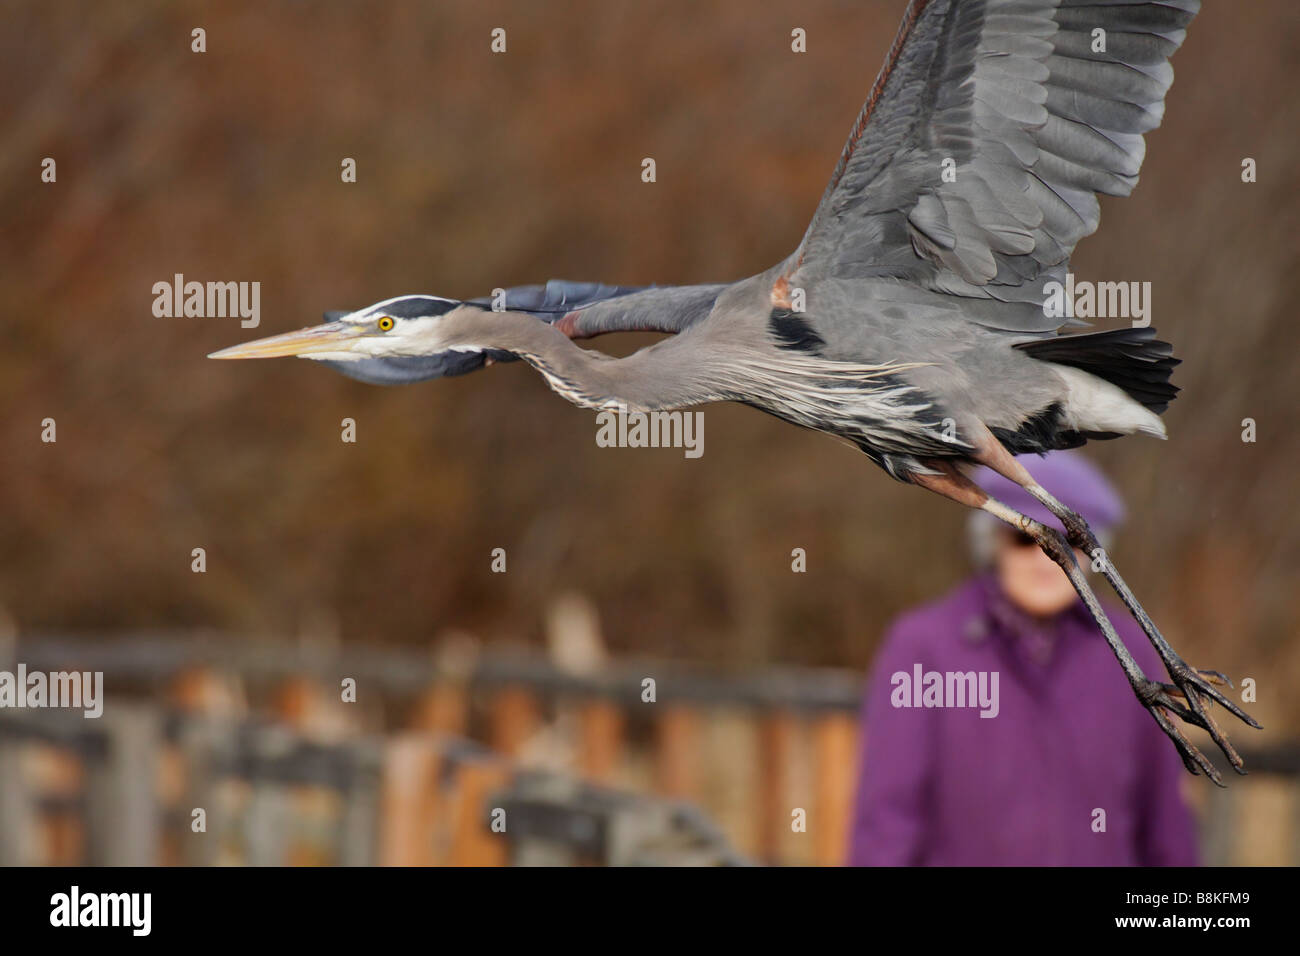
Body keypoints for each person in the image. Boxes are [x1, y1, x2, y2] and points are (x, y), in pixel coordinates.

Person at [847, 451, 1198, 866]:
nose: (1046, 560)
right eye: (1024, 538)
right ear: (991, 541)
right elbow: (886, 824)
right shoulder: (923, 650)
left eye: (1067, 543)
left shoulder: (1132, 652)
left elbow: (1165, 825)